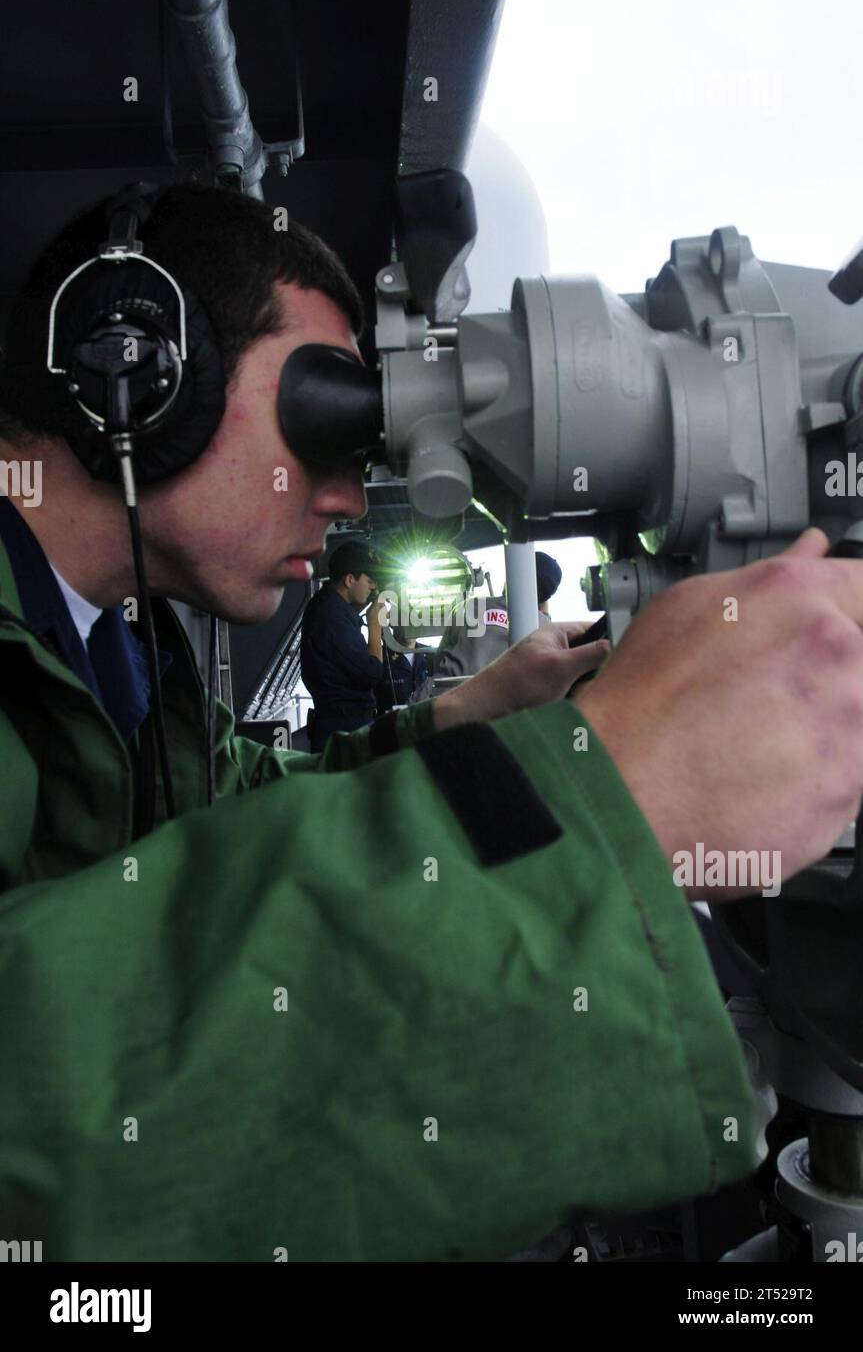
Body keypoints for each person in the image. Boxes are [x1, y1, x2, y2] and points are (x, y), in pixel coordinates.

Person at [1, 183, 862, 1264]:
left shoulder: (129, 651)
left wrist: (466, 719)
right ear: (133, 375)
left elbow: (227, 831)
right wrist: (605, 806)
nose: (347, 496)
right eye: (323, 413)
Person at [300, 540, 385, 750]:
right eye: (369, 580)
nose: (373, 587)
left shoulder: (329, 608)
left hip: (343, 725)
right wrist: (375, 626)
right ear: (349, 580)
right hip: (344, 730)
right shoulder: (331, 616)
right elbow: (372, 673)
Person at [435, 549, 563, 678]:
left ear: (511, 575)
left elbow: (437, 660)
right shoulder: (545, 629)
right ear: (545, 598)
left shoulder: (469, 606)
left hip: (446, 693)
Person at [376, 627, 432, 712]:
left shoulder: (431, 654)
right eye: (403, 620)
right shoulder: (380, 656)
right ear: (392, 624)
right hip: (391, 723)